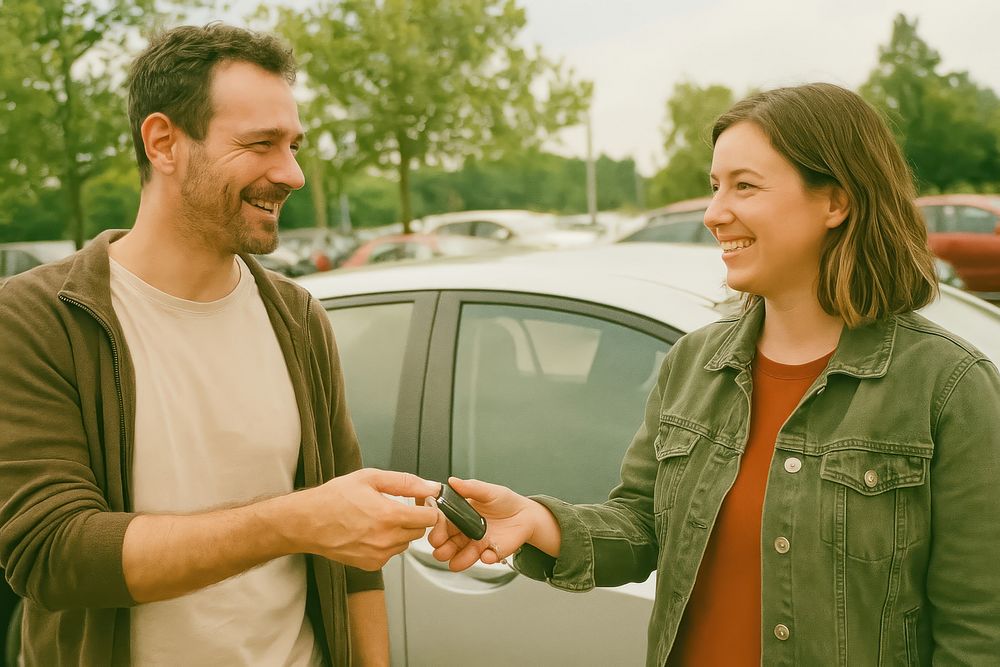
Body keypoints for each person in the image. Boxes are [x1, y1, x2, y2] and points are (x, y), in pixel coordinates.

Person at [429, 83, 1000, 665]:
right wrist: (538, 521)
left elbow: (979, 634)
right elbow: (645, 527)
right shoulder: (694, 362)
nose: (713, 213)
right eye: (714, 187)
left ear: (836, 201)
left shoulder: (949, 387)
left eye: (744, 186)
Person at [0, 24, 442, 666]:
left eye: (293, 145)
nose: (291, 173)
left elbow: (352, 554)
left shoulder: (298, 317)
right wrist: (295, 521)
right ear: (163, 143)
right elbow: (53, 555)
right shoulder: (40, 317)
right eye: (260, 144)